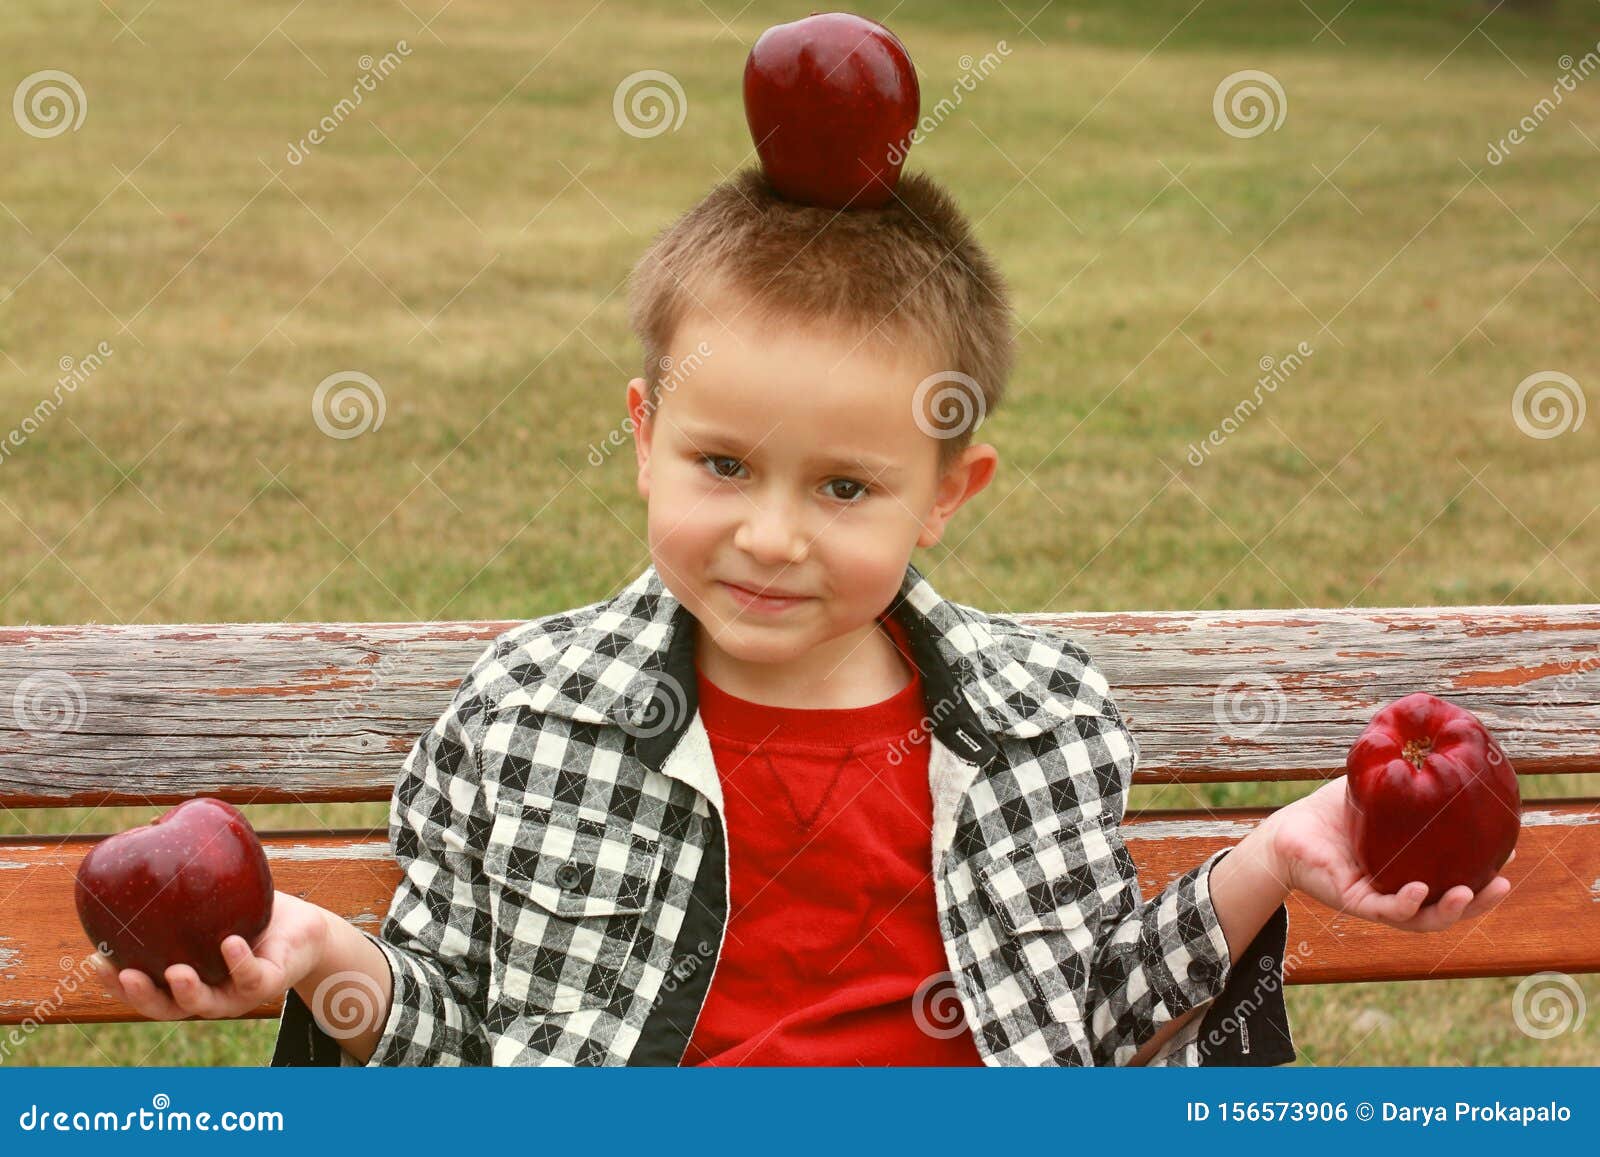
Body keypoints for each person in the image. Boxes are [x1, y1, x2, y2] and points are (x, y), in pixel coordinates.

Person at [89, 166, 1511, 1066]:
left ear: (947, 491)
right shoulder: (525, 713)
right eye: (722, 465)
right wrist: (333, 961)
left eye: (844, 484)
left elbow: (1094, 1020)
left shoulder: (1039, 723)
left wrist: (1270, 858)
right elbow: (455, 1033)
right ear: (644, 436)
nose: (770, 534)